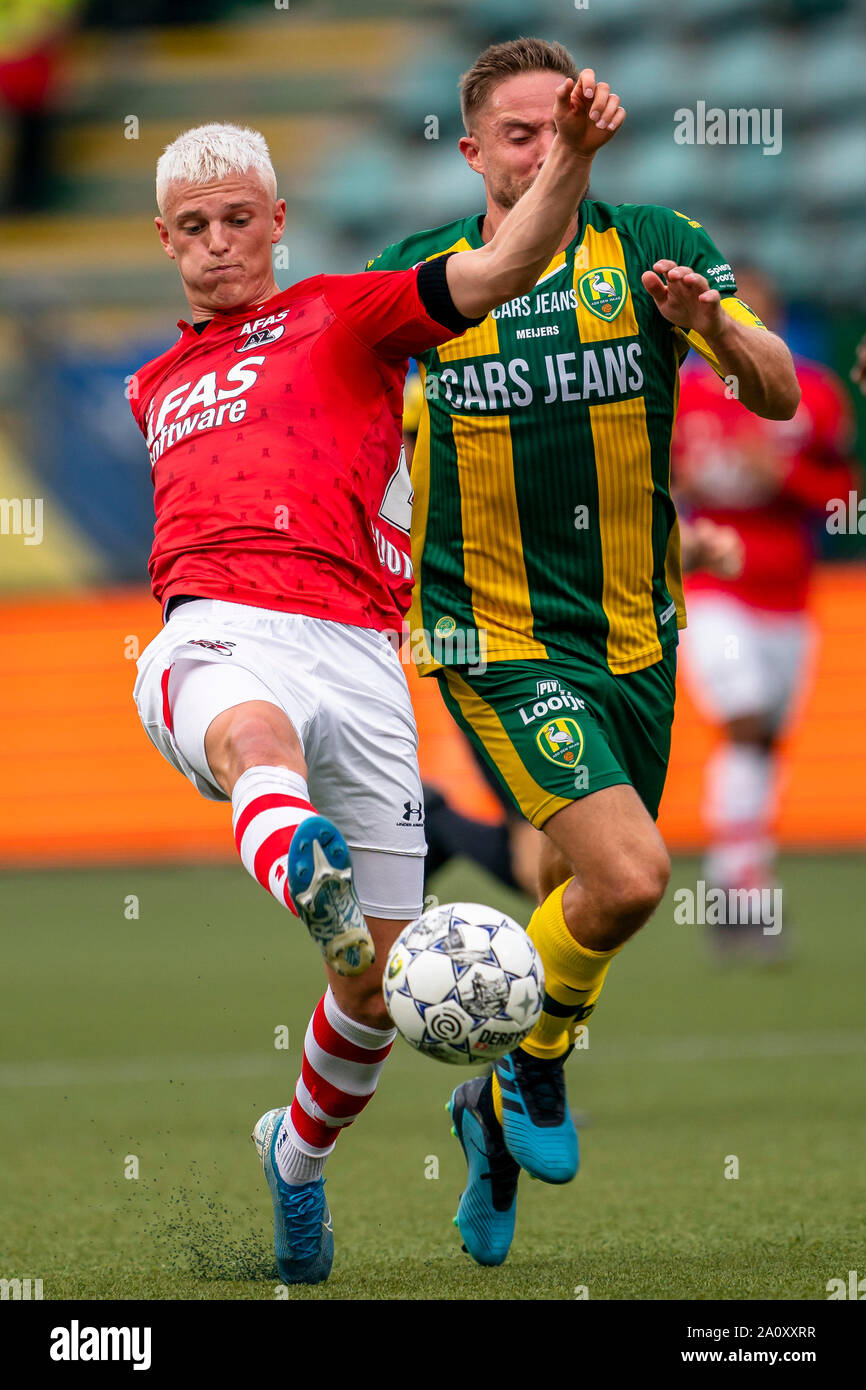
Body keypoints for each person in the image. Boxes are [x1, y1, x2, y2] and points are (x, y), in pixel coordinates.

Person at [129, 90, 623, 1284]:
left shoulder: (340, 315)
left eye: (235, 220)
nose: (214, 245)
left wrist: (572, 154)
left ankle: (293, 1161)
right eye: (190, 225)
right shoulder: (150, 383)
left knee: (378, 984)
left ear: (277, 221)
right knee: (253, 739)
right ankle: (301, 853)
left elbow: (506, 261)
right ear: (163, 240)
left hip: (359, 653)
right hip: (217, 629)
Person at [366, 36, 801, 1266]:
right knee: (627, 878)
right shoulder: (418, 274)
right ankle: (535, 1066)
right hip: (491, 637)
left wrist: (710, 321)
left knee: (574, 893)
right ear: (469, 153)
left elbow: (772, 393)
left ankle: (485, 1115)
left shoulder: (652, 240)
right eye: (520, 133)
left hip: (633, 637)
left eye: (559, 127)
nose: (546, 149)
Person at [672, 267, 858, 959]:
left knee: (764, 740)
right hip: (713, 589)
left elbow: (843, 493)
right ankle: (740, 899)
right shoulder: (679, 394)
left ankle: (732, 883)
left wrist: (783, 476)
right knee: (744, 723)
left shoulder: (811, 391)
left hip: (791, 594)